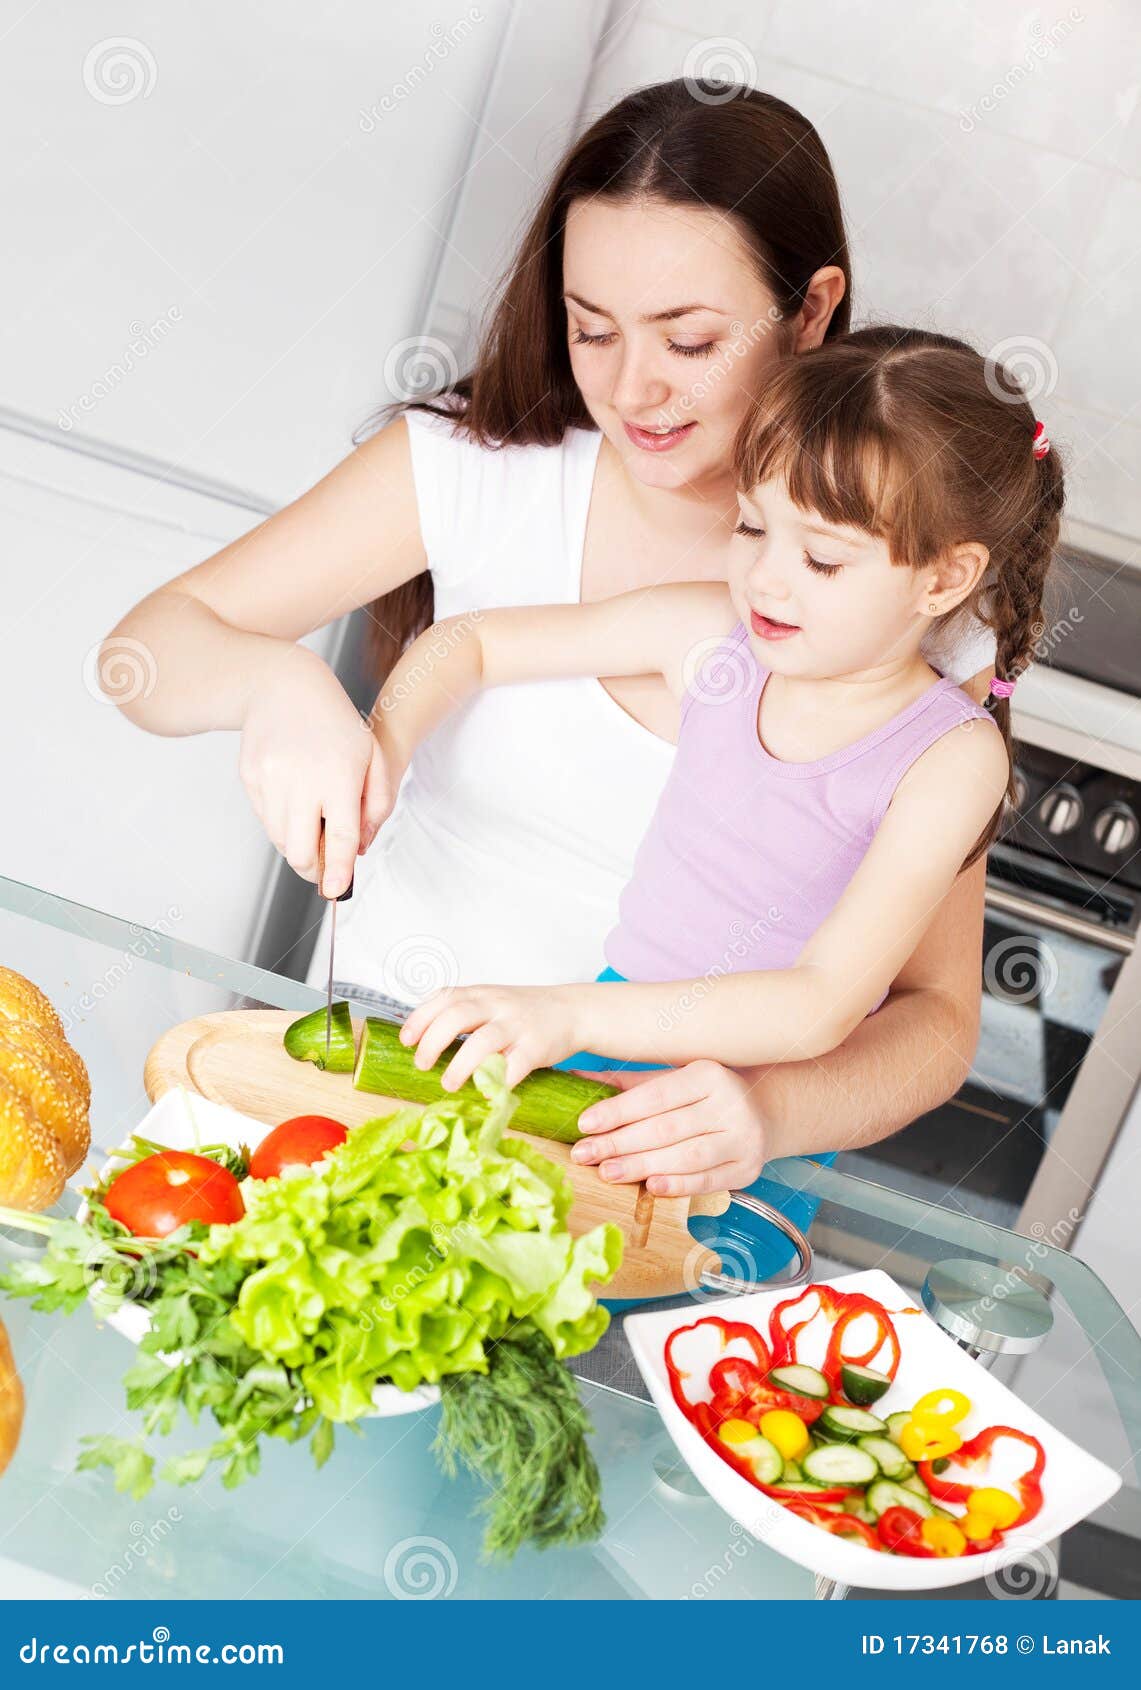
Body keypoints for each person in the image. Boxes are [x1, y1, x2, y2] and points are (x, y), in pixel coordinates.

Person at [103, 80, 999, 1219]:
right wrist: (280, 680)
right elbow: (143, 650)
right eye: (591, 329)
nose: (633, 388)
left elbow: (935, 1015)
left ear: (811, 310)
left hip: (652, 1191)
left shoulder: (905, 610)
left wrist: (778, 1114)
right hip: (378, 1106)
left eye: (691, 338)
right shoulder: (479, 468)